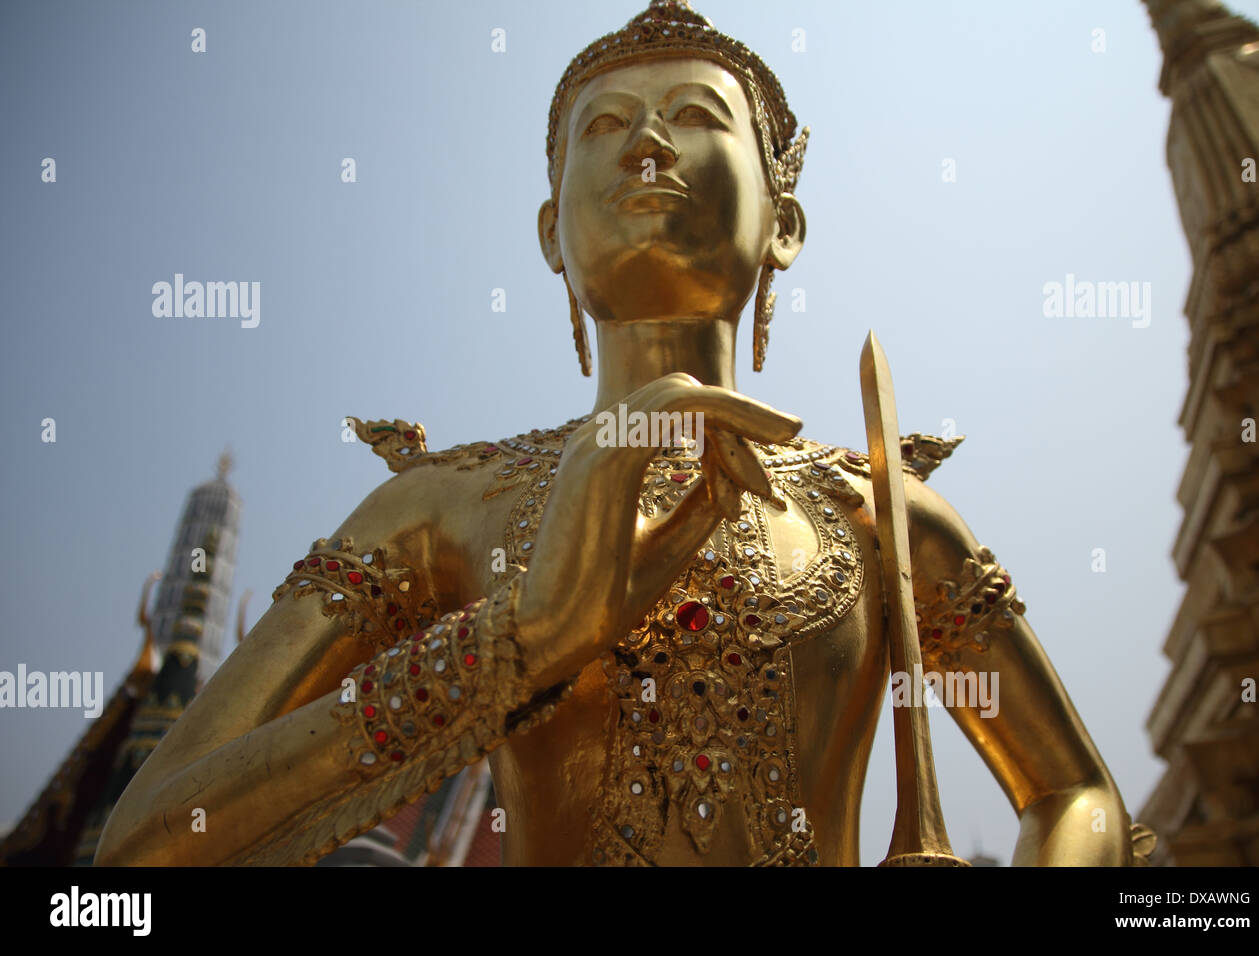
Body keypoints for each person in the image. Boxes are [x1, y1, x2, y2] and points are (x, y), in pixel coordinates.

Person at [97, 0, 1140, 867]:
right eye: (603, 128)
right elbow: (146, 843)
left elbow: (1073, 789)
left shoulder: (877, 512)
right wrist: (524, 638)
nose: (646, 143)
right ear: (552, 228)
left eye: (693, 115)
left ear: (783, 218)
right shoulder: (443, 504)